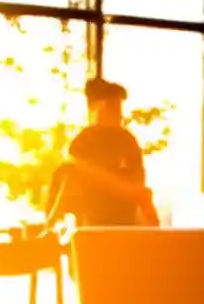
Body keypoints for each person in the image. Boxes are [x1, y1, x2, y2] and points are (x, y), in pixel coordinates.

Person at [42, 78, 159, 234]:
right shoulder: (84, 141)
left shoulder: (127, 141)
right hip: (92, 224)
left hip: (124, 224)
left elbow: (139, 184)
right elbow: (80, 172)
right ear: (96, 106)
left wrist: (154, 227)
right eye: (111, 105)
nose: (117, 112)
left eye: (117, 105)